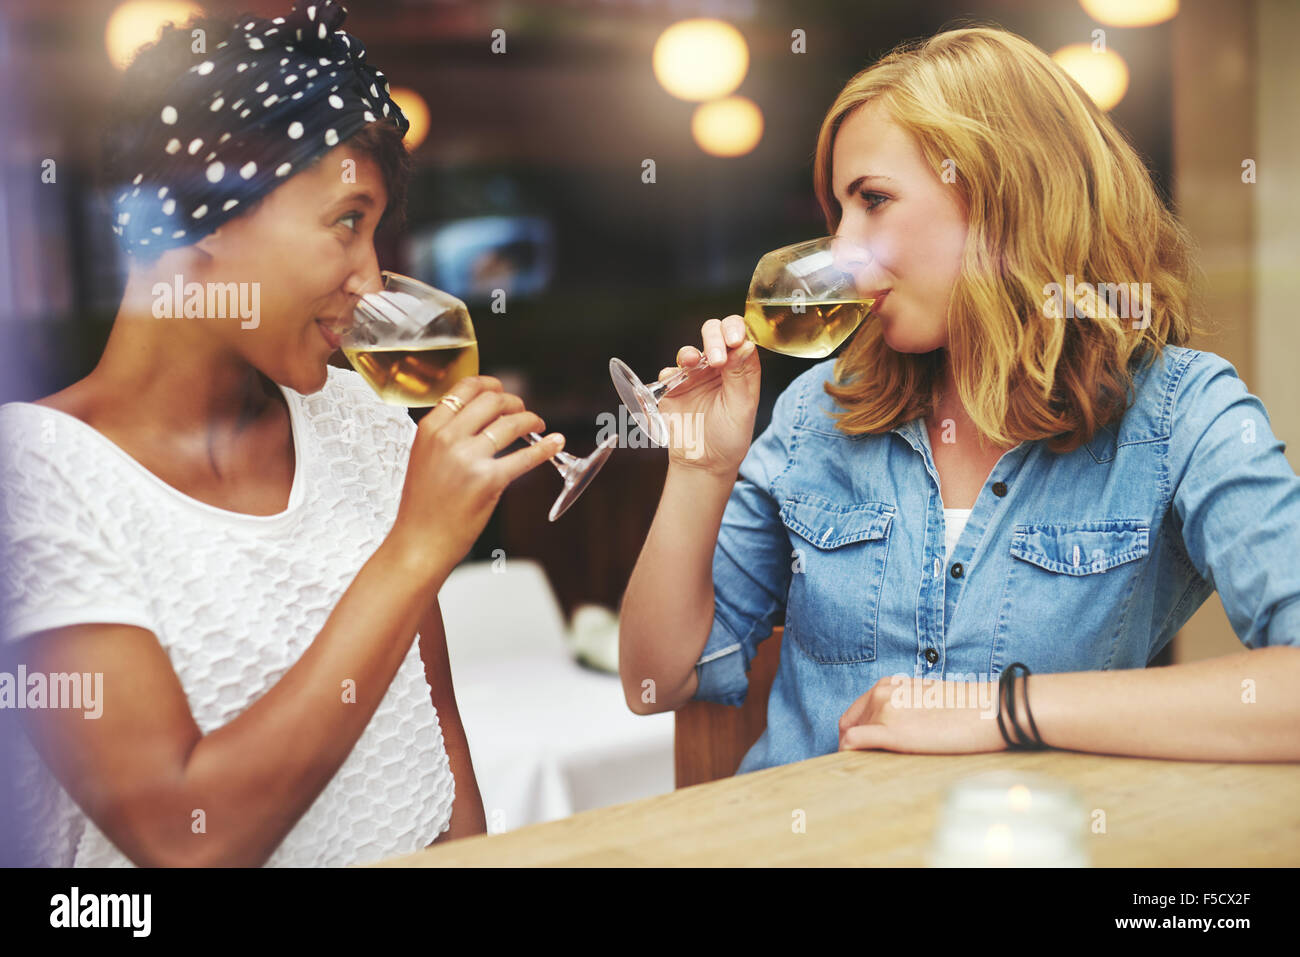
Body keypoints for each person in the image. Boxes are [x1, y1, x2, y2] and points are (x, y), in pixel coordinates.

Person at [619, 26, 1300, 771]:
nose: (844, 250)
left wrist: (999, 709)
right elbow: (656, 682)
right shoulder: (818, 410)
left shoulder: (1180, 413)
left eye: (873, 200)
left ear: (1006, 196)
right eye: (838, 213)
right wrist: (698, 468)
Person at [0, 0, 565, 866]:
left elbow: (436, 735)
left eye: (377, 232)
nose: (372, 279)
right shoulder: (35, 476)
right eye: (347, 221)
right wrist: (415, 549)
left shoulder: (366, 424)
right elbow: (186, 837)